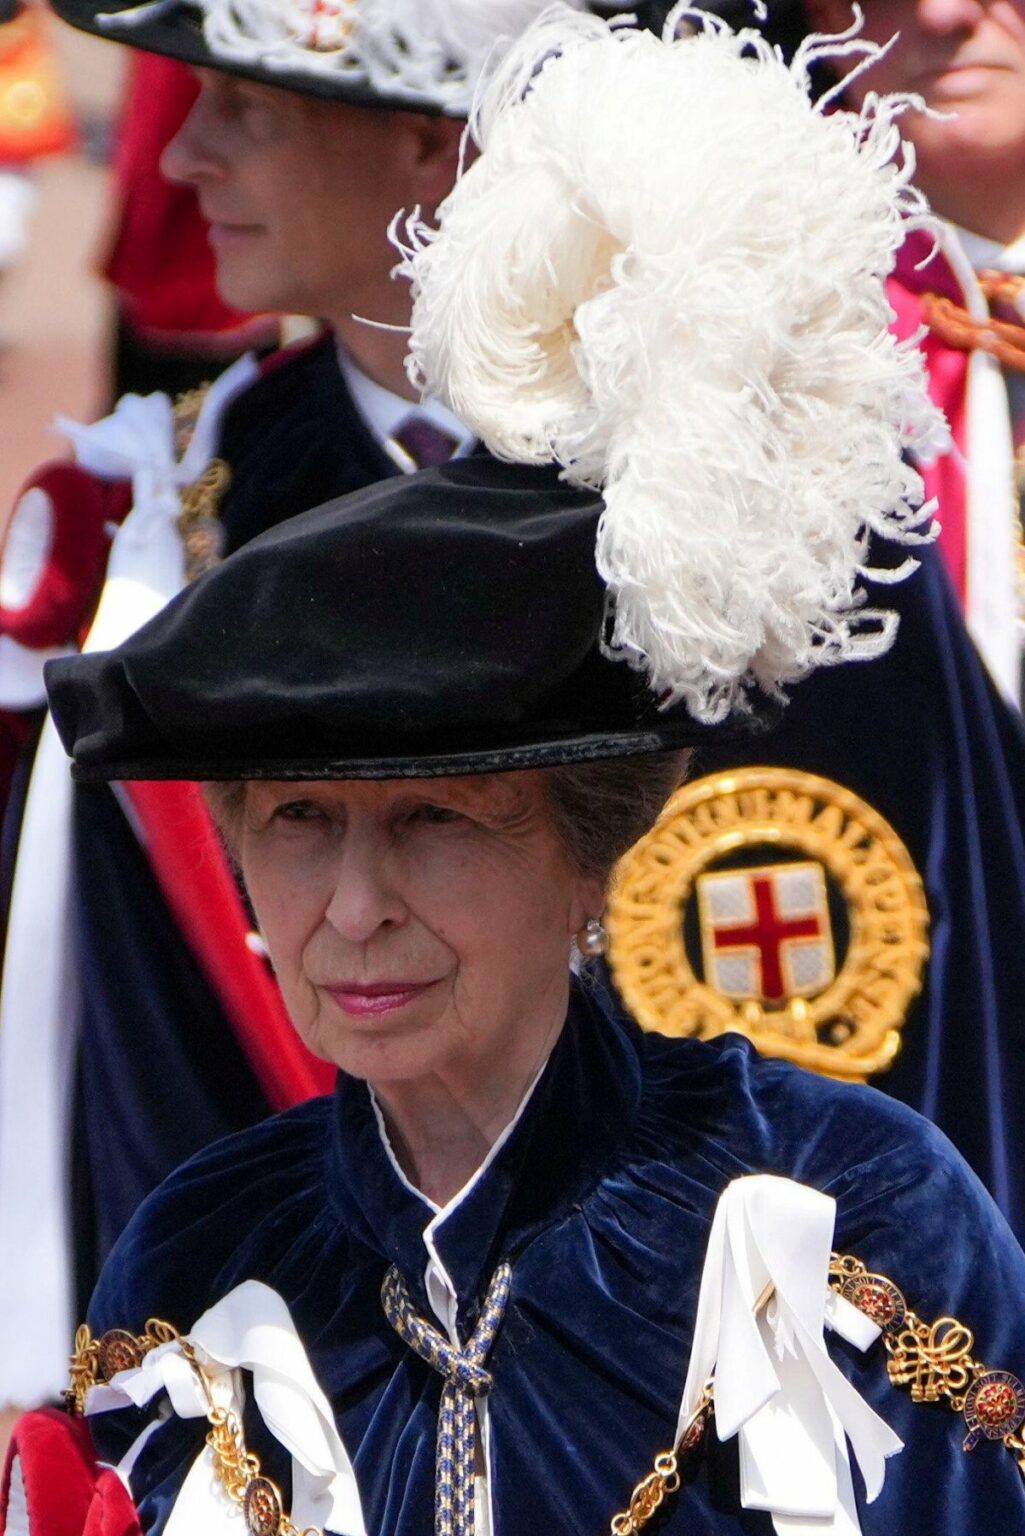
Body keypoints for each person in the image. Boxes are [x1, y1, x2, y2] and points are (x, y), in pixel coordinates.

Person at [7, 11, 1025, 1535]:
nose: (354, 905)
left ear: (587, 843)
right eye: (296, 819)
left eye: (435, 818)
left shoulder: (852, 1224)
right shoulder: (195, 1271)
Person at [0, 0, 596, 1420]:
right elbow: (120, 1048)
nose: (180, 157)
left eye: (248, 108)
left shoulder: (718, 503)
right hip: (283, 1364)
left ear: (430, 140)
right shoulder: (152, 523)